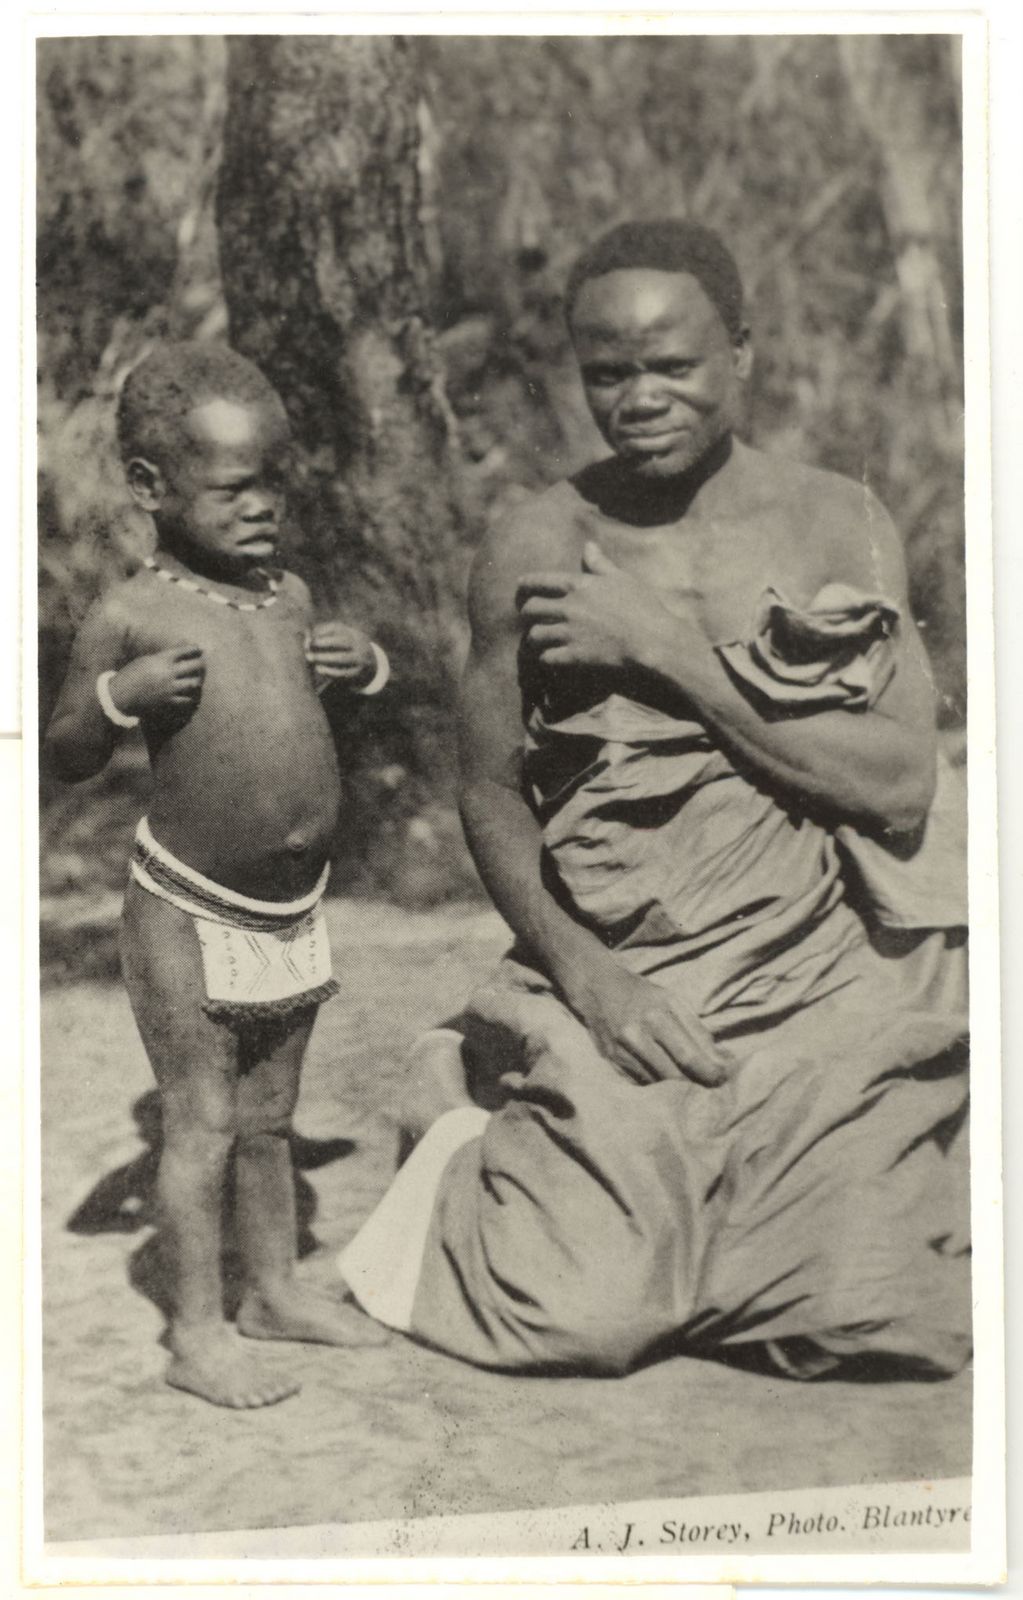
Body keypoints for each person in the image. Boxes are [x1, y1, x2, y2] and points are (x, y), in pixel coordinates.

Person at [339, 220, 970, 1380]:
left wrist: (678, 654)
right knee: (575, 1317)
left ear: (741, 353)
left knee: (877, 1313)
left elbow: (897, 781)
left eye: (672, 366)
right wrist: (591, 977)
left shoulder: (840, 520)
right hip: (626, 963)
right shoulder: (534, 539)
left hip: (812, 969)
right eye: (608, 373)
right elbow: (487, 793)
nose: (640, 398)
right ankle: (457, 1124)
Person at [45, 341, 388, 1408]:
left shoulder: (288, 598)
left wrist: (360, 666)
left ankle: (273, 1289)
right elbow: (61, 750)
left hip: (289, 910)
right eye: (234, 489)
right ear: (151, 488)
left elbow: (326, 712)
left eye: (274, 483)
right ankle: (197, 1331)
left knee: (272, 1117)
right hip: (185, 911)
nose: (264, 508)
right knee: (200, 1122)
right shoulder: (131, 614)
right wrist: (121, 694)